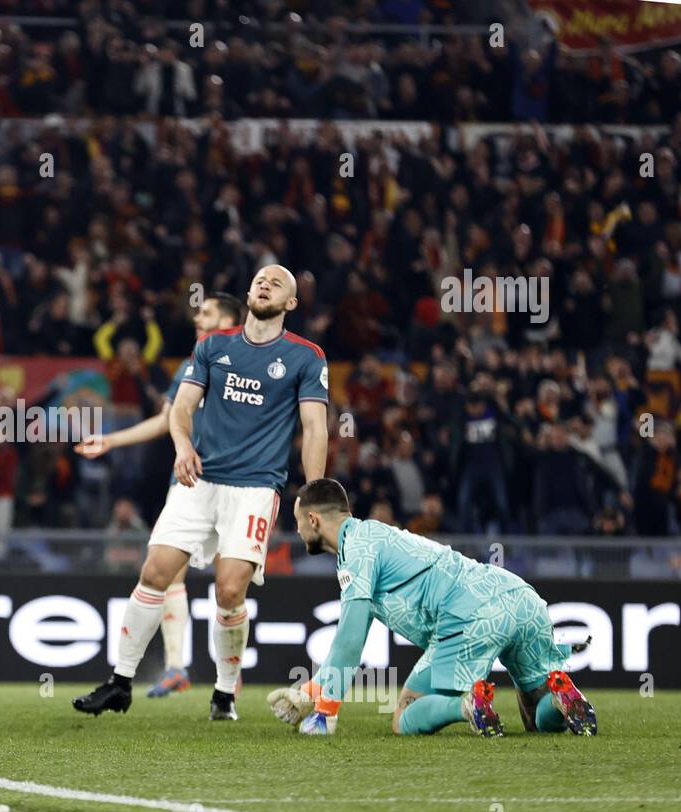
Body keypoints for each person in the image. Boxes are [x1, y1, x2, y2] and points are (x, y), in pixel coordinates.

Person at [73, 265, 328, 721]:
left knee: (230, 592)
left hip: (254, 488)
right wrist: (184, 446)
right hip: (198, 480)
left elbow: (314, 427)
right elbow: (181, 409)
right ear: (249, 291)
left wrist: (312, 492)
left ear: (291, 303)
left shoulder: (307, 357)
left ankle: (224, 694)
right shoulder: (212, 347)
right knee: (154, 572)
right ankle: (120, 682)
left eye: (278, 283)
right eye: (261, 279)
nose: (266, 284)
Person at [268, 479, 596, 738]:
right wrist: (312, 691)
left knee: (404, 718)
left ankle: (467, 704)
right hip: (517, 595)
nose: (296, 530)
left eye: (297, 521)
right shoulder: (372, 537)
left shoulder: (357, 550)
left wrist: (323, 709)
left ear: (313, 519)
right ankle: (561, 699)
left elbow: (350, 639)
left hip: (468, 615)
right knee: (537, 718)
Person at [74, 292, 243, 697]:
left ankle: (229, 678)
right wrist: (112, 441)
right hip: (187, 481)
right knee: (167, 574)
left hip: (236, 487)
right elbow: (165, 420)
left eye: (208, 315)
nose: (198, 321)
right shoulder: (190, 366)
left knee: (230, 585)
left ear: (231, 323)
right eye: (198, 315)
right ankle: (175, 666)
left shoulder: (249, 367)